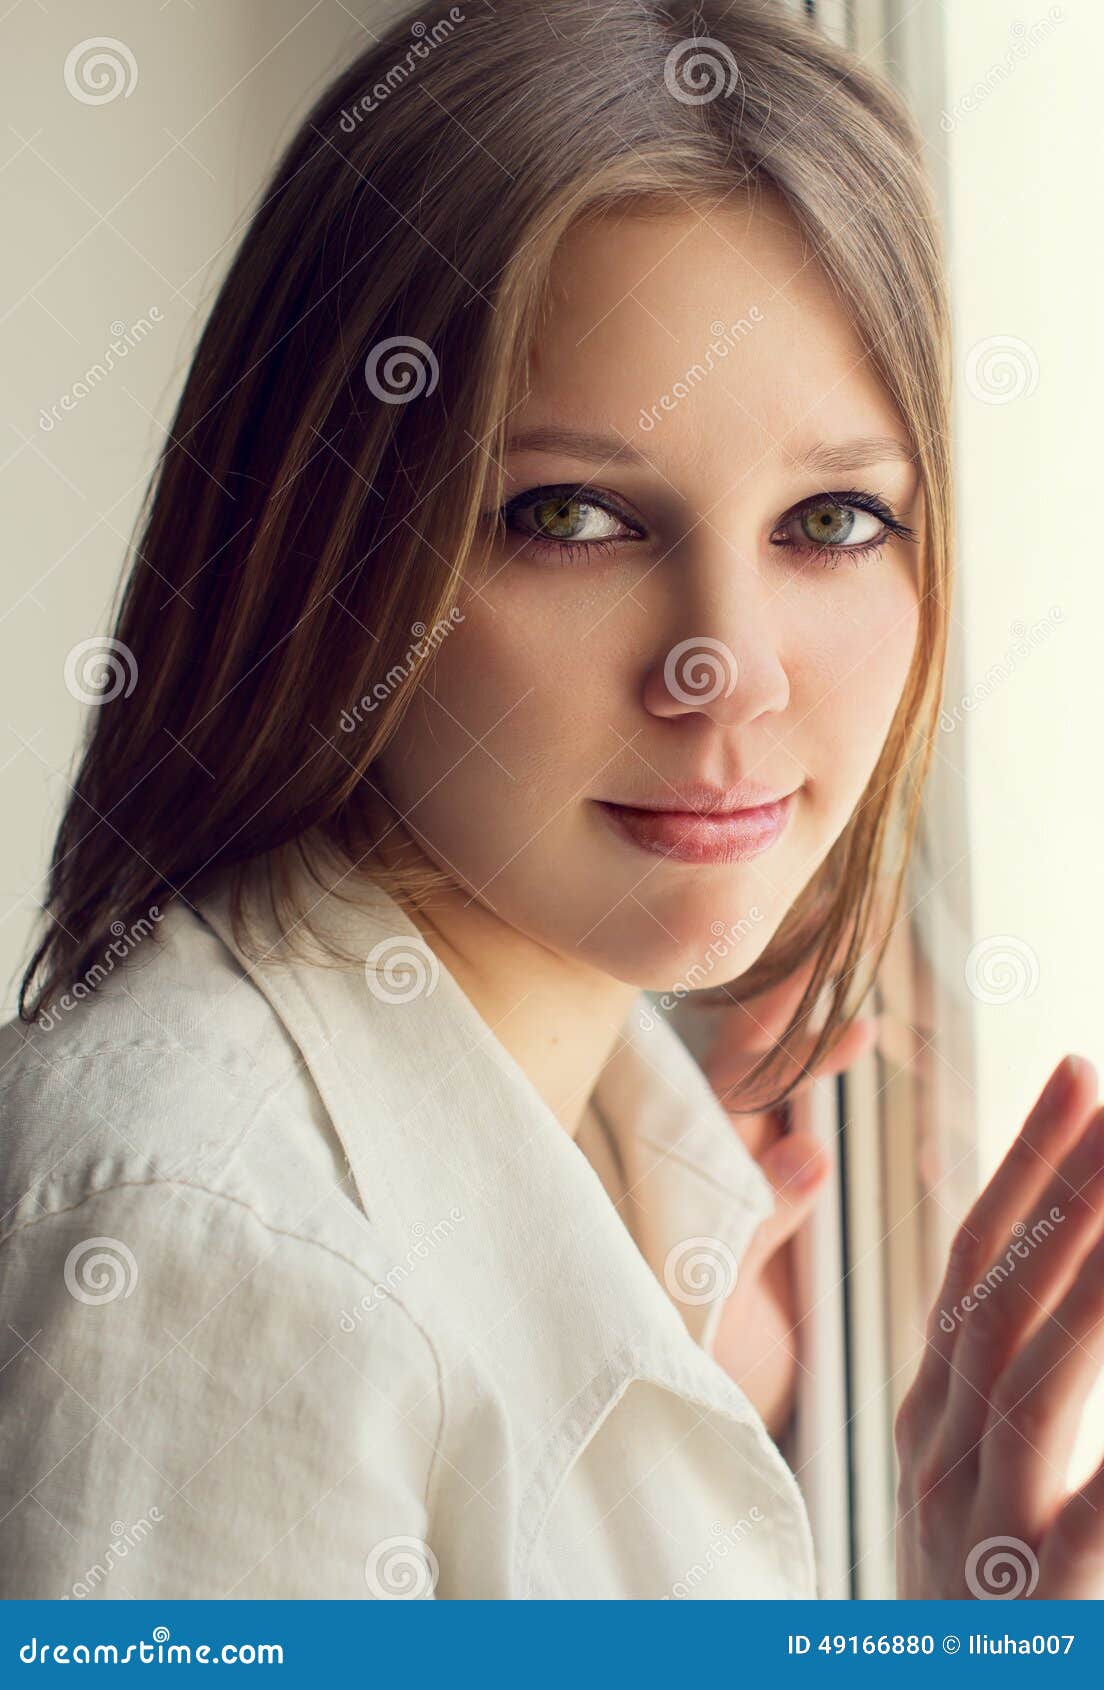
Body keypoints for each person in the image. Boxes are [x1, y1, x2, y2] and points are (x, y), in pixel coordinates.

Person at [2, 0, 1101, 1600]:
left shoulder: (609, 1159)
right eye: (571, 515)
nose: (724, 669)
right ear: (331, 539)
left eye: (835, 520)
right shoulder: (219, 1240)